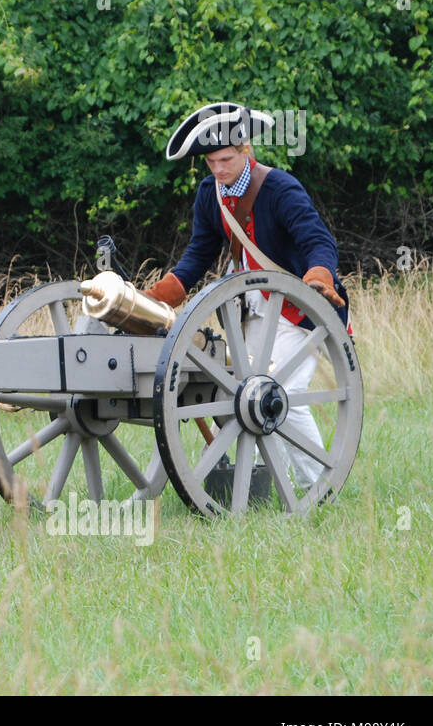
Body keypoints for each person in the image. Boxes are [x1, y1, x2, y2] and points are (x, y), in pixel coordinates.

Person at [144, 102, 349, 488]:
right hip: (252, 309)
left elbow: (317, 239)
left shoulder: (281, 188)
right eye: (211, 163)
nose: (218, 170)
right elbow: (199, 253)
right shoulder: (210, 194)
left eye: (225, 159)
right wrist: (164, 293)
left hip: (302, 308)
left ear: (246, 151)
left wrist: (319, 275)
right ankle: (253, 483)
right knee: (246, 397)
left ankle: (317, 487)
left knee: (279, 394)